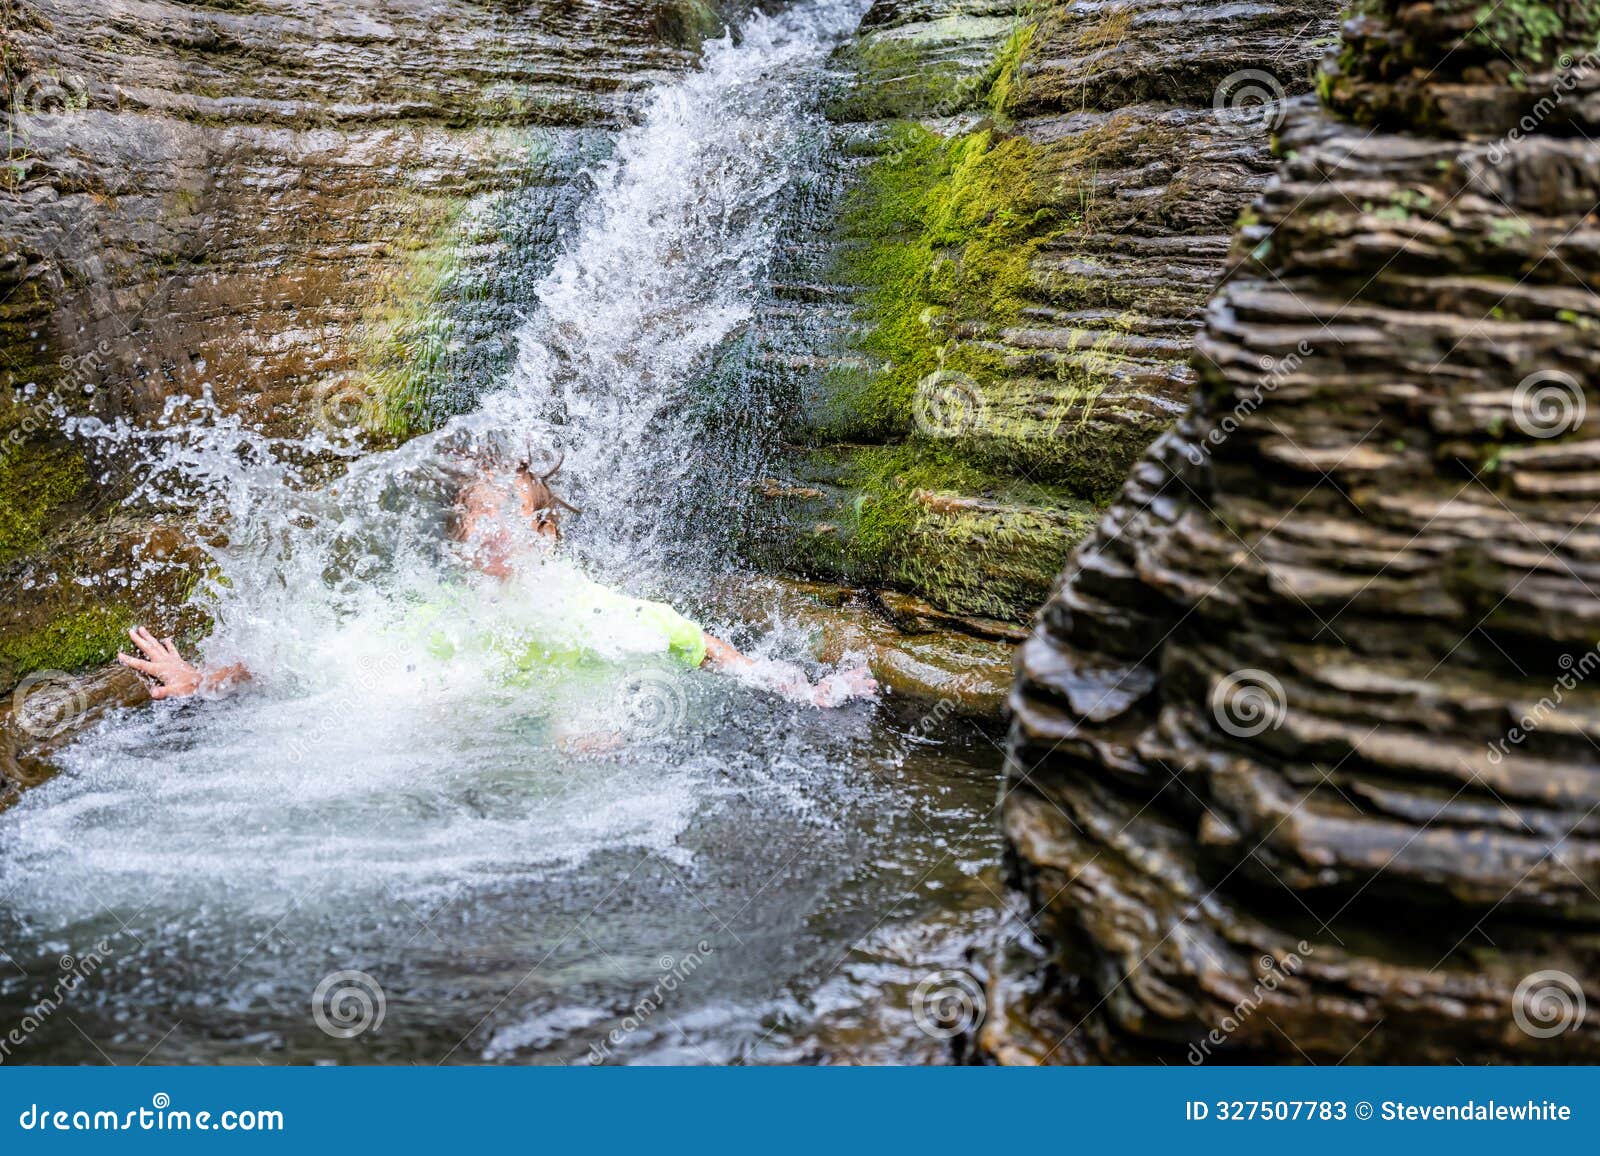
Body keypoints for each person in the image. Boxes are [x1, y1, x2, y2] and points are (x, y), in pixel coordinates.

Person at [118, 452, 877, 709]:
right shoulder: (437, 610)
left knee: (590, 734)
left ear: (543, 534)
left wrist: (801, 689)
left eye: (503, 516)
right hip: (479, 724)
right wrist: (205, 677)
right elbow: (322, 655)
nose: (486, 531)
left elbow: (700, 642)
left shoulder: (584, 605)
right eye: (471, 519)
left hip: (569, 706)